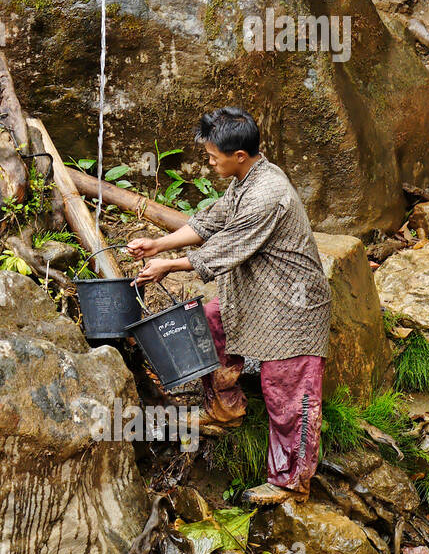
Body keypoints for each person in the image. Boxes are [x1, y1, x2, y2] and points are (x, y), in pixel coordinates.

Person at [126, 107, 331, 506]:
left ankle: (291, 483)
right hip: (256, 297)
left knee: (286, 392)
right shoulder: (245, 179)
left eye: (212, 155)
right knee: (206, 326)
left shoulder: (268, 195)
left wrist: (169, 265)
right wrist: (158, 245)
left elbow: (225, 248)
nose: (208, 160)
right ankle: (224, 407)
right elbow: (210, 220)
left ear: (239, 154)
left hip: (293, 309)